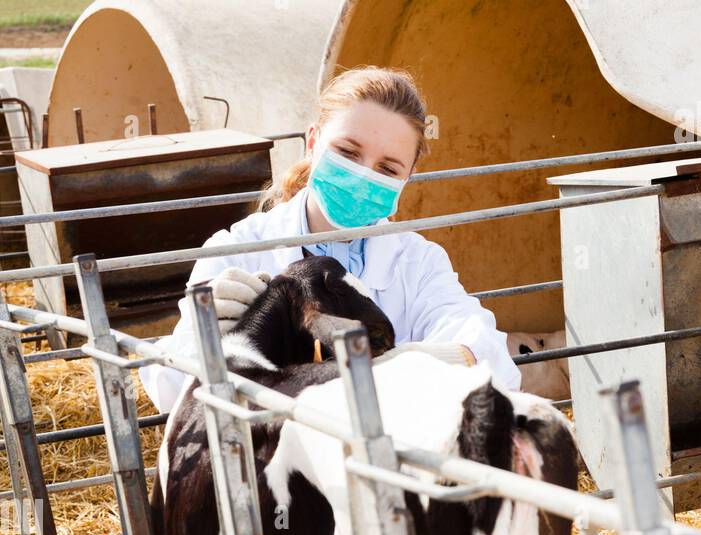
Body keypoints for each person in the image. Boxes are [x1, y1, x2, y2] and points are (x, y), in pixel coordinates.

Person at [138, 66, 520, 414]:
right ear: (313, 141)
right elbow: (170, 394)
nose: (362, 175)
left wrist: (402, 365)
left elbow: (490, 357)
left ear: (409, 176)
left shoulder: (418, 262)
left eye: (387, 168)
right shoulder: (239, 250)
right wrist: (213, 338)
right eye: (347, 152)